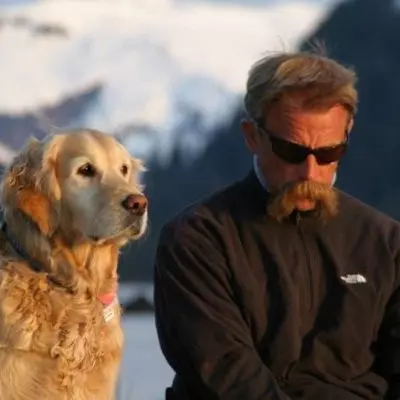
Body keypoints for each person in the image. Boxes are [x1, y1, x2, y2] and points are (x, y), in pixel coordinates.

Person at [153, 50, 400, 400]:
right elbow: (226, 372)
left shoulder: (387, 243)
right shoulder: (197, 239)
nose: (310, 172)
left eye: (329, 153)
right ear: (252, 136)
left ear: (348, 135)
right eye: (291, 151)